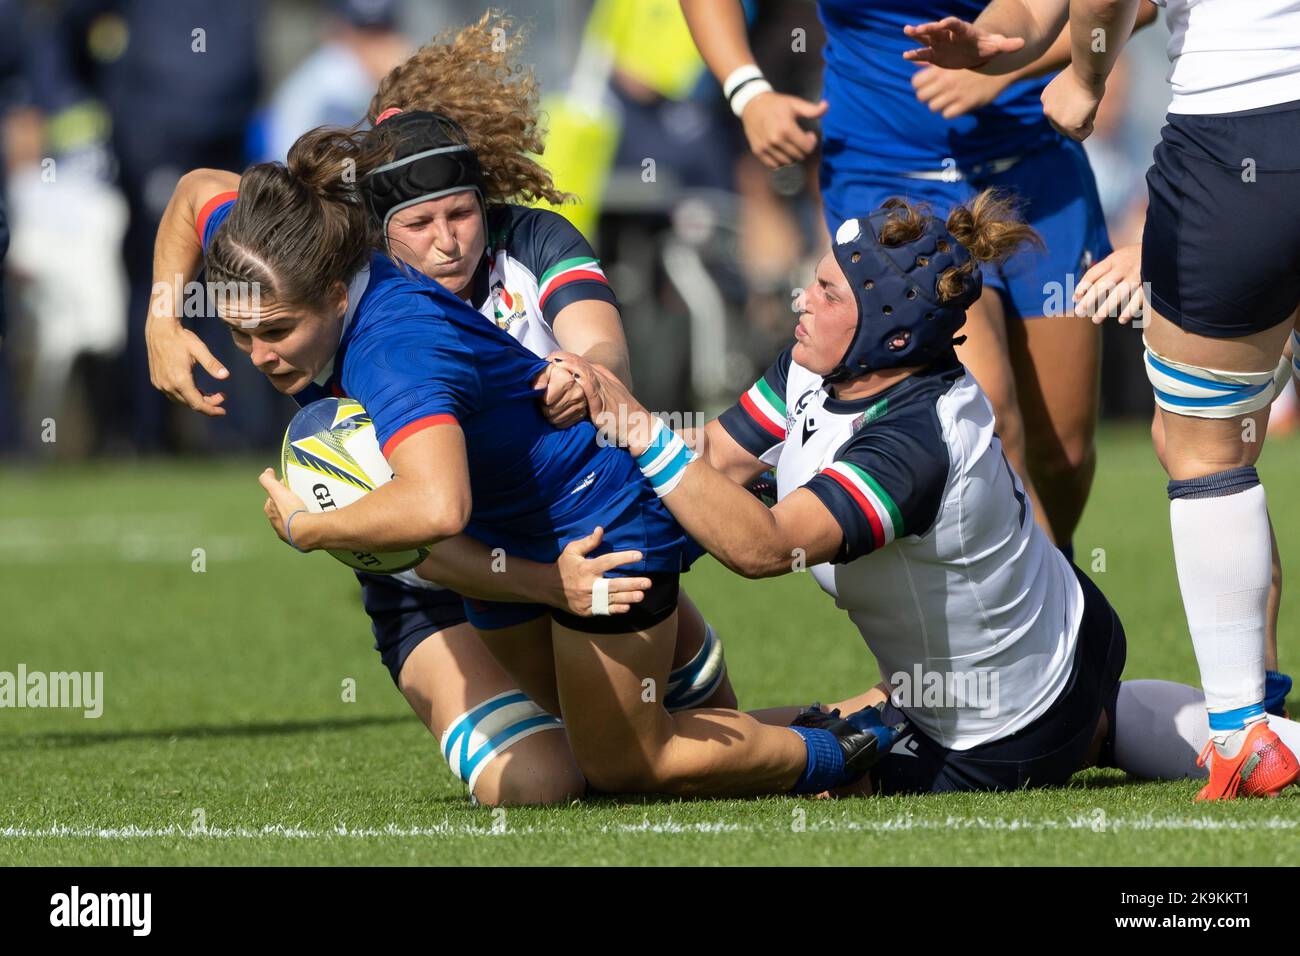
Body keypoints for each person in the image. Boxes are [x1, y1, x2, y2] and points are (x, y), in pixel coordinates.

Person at [152, 124, 897, 804]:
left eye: (277, 331)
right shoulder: (286, 253)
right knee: (576, 766)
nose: (259, 355)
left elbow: (438, 509)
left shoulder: (395, 352)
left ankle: (851, 749)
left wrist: (313, 529)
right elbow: (195, 196)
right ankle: (830, 720)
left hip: (588, 524)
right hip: (506, 545)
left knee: (626, 767)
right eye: (239, 333)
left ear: (338, 293)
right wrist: (162, 316)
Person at [144, 16, 739, 805]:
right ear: (372, 237)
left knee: (649, 745)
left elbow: (602, 350)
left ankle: (792, 728)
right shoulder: (315, 270)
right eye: (417, 225)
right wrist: (161, 317)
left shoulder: (527, 244)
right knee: (544, 782)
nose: (446, 242)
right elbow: (196, 195)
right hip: (427, 574)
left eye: (459, 214)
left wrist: (585, 377)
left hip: (547, 517)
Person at [551, 192, 1300, 795]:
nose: (798, 301)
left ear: (891, 334)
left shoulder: (915, 440)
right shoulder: (826, 364)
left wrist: (639, 428)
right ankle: (1189, 731)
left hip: (1000, 733)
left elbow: (763, 547)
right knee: (743, 728)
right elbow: (717, 457)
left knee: (751, 755)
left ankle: (1110, 728)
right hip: (1062, 646)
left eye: (825, 291)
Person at [909, 0, 1300, 801]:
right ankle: (1251, 706)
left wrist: (1085, 77)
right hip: (1250, 133)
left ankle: (1240, 729)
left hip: (1245, 119)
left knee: (1206, 446)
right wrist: (1012, 48)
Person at [679, 0, 1156, 562]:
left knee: (1064, 453)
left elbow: (1135, 7)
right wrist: (747, 90)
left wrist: (1006, 63)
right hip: (887, 181)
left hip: (1033, 175)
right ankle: (1034, 627)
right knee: (991, 413)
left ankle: (1057, 593)